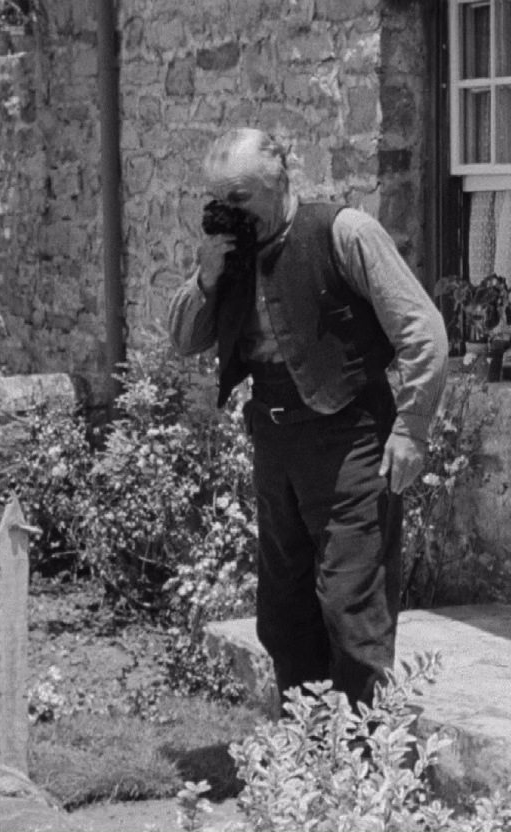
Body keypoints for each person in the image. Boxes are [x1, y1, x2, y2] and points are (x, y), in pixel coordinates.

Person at [168, 128, 448, 709]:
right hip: (275, 443)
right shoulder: (230, 252)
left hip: (352, 442)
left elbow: (424, 330)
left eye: (240, 198)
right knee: (284, 612)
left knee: (352, 610)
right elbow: (184, 339)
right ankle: (310, 748)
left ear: (281, 181)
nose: (227, 212)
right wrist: (206, 280)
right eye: (217, 199)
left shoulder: (344, 232)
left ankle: (366, 763)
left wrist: (412, 428)